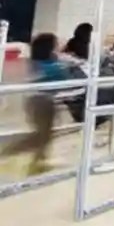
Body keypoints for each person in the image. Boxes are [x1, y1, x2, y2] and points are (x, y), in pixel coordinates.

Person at [1, 34, 69, 176]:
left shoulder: (38, 63)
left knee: (45, 134)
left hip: (40, 101)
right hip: (42, 102)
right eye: (56, 44)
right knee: (40, 136)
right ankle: (7, 152)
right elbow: (63, 75)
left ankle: (38, 161)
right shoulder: (48, 66)